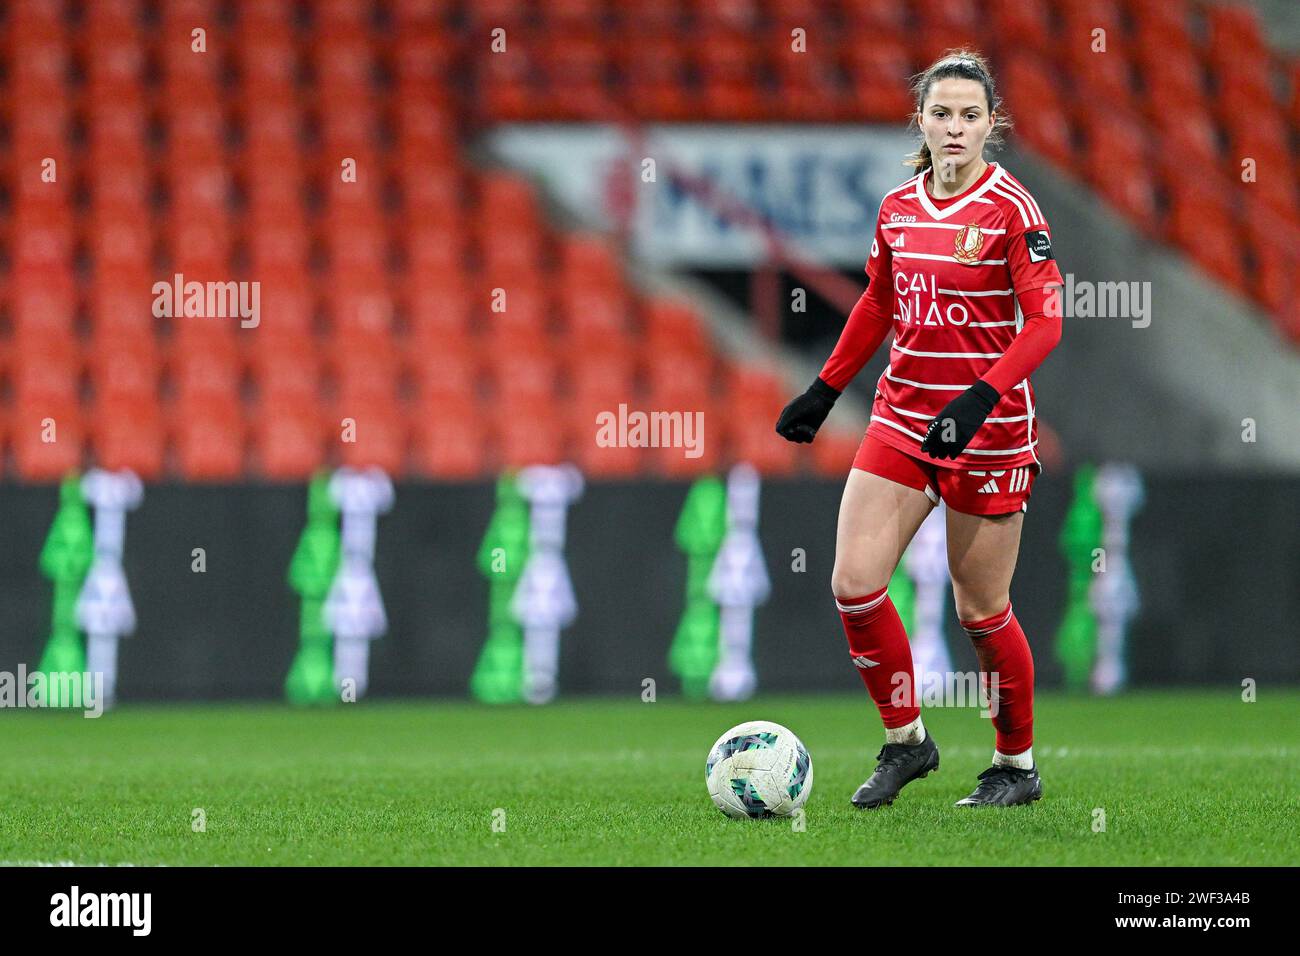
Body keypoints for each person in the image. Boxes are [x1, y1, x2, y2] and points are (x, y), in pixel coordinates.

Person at [776, 50, 1064, 809]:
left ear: (991, 124)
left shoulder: (1013, 211)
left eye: (971, 115)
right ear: (922, 120)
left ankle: (1015, 765)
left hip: (989, 432)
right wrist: (825, 386)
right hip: (902, 419)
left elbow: (1045, 325)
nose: (956, 127)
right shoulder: (899, 207)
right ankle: (908, 742)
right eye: (942, 113)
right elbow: (877, 301)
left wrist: (977, 400)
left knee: (980, 612)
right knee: (853, 584)